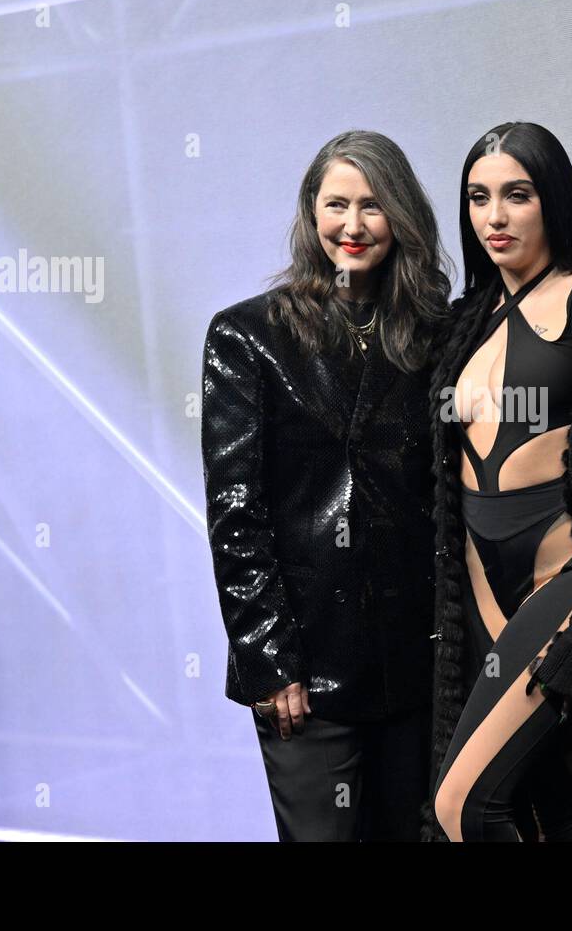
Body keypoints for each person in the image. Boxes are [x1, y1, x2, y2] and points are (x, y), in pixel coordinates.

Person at [200, 130, 451, 840]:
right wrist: (269, 659)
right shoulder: (248, 336)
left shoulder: (438, 334)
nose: (353, 224)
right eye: (336, 203)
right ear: (312, 214)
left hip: (421, 665)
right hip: (305, 671)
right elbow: (235, 515)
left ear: (400, 215)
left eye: (372, 205)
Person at [424, 121, 572, 841]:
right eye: (478, 197)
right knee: (553, 802)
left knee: (464, 805)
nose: (495, 217)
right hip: (479, 592)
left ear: (551, 200)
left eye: (517, 195)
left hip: (567, 583)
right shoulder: (465, 323)